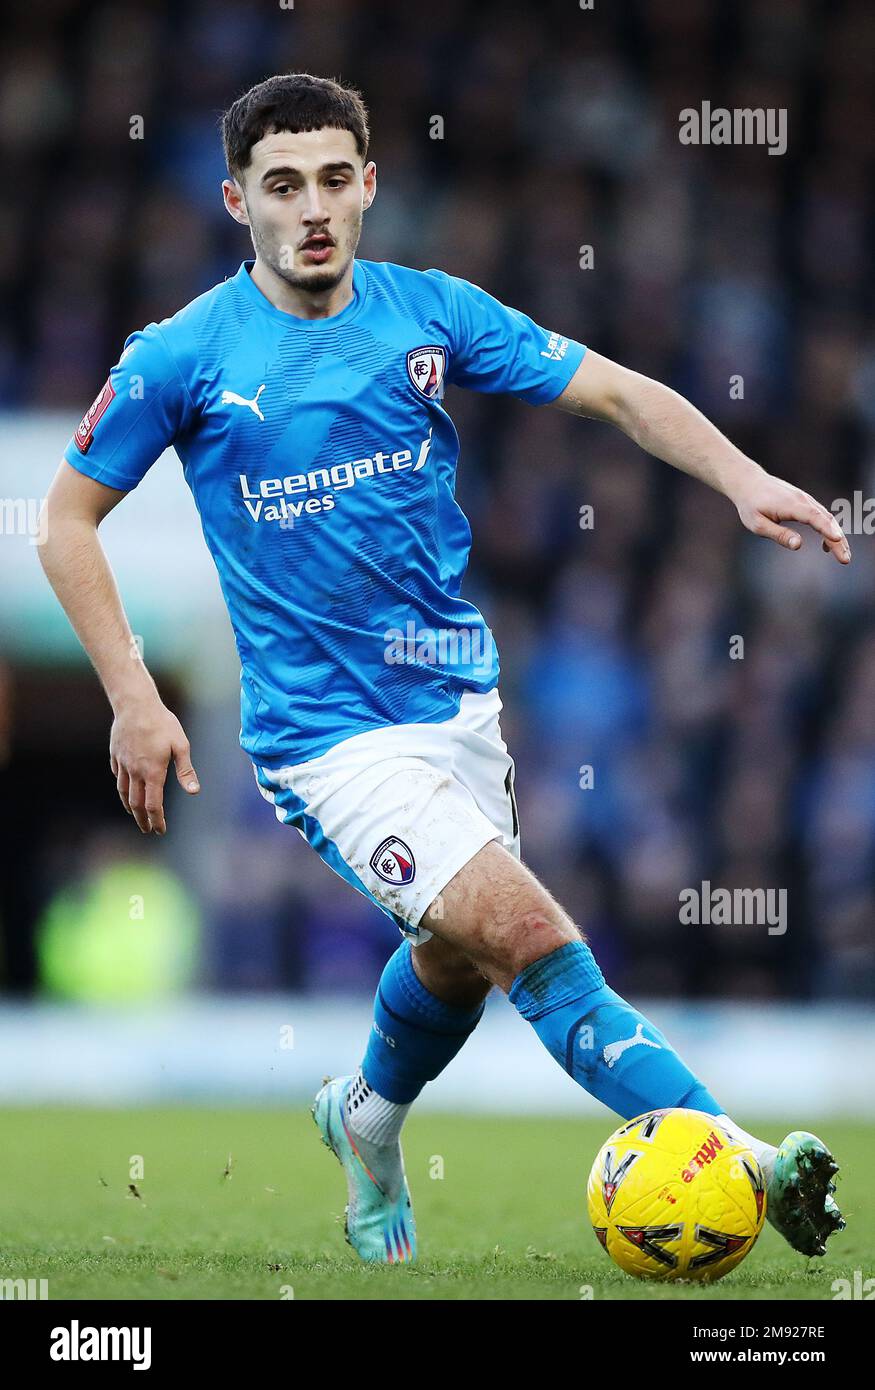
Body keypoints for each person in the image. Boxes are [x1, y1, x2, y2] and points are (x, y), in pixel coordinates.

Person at [39, 72, 847, 1266]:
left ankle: (362, 1119)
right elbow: (64, 520)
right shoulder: (181, 356)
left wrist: (739, 476)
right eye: (280, 186)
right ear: (235, 201)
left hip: (459, 710)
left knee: (457, 960)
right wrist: (133, 693)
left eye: (329, 180)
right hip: (326, 743)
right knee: (528, 933)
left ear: (367, 186)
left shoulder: (431, 312)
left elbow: (615, 391)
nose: (308, 207)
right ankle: (740, 1157)